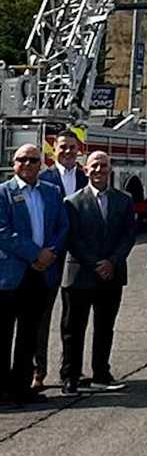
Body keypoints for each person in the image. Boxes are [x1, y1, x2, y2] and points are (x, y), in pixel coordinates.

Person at [59, 151, 136, 396]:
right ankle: (70, 377)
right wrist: (96, 263)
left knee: (105, 327)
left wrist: (112, 262)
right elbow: (72, 239)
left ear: (110, 169)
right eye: (94, 166)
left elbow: (128, 236)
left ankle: (101, 374)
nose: (99, 170)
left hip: (111, 275)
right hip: (80, 274)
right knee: (73, 329)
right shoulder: (71, 202)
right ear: (85, 169)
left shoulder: (124, 200)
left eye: (104, 166)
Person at [0, 145, 69, 405]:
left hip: (41, 275)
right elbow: (2, 231)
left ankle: (22, 387)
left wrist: (50, 252)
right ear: (13, 162)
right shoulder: (3, 193)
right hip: (11, 275)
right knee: (4, 334)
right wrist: (34, 254)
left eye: (33, 160)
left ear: (42, 164)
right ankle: (2, 389)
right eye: (22, 160)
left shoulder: (51, 192)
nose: (28, 164)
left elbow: (62, 225)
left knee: (30, 333)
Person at [32, 130, 86, 392]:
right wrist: (48, 250)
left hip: (79, 259)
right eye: (62, 147)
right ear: (54, 149)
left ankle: (71, 370)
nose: (67, 151)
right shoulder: (43, 179)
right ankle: (38, 371)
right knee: (41, 317)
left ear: (79, 150)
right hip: (51, 257)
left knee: (73, 319)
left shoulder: (87, 177)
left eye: (72, 147)